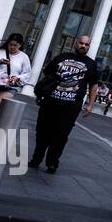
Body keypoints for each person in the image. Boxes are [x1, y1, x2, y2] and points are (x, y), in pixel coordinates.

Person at [30, 35, 100, 173]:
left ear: (89, 46)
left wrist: (90, 104)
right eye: (81, 43)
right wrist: (40, 92)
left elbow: (93, 85)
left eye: (86, 44)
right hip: (50, 102)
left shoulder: (91, 64)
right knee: (42, 132)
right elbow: (47, 75)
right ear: (76, 43)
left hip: (70, 106)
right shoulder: (61, 57)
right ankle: (36, 159)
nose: (83, 46)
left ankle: (52, 163)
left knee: (61, 136)